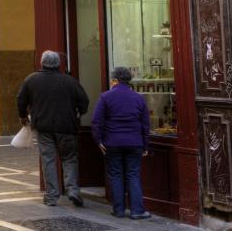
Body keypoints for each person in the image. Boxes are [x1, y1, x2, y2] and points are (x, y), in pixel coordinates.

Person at [17, 50, 89, 207]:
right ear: (58, 64)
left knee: (48, 160)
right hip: (67, 126)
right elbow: (84, 102)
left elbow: (21, 100)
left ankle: (52, 195)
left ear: (42, 63)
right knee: (69, 158)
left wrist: (23, 116)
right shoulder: (70, 81)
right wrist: (78, 112)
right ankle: (73, 191)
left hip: (43, 127)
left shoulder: (31, 80)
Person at [91, 66, 152, 220]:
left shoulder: (105, 97)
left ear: (115, 80)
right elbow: (145, 124)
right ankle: (137, 211)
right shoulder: (138, 98)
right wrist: (145, 144)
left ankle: (118, 210)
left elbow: (96, 121)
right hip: (134, 142)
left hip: (112, 142)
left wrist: (99, 140)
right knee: (133, 175)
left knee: (116, 175)